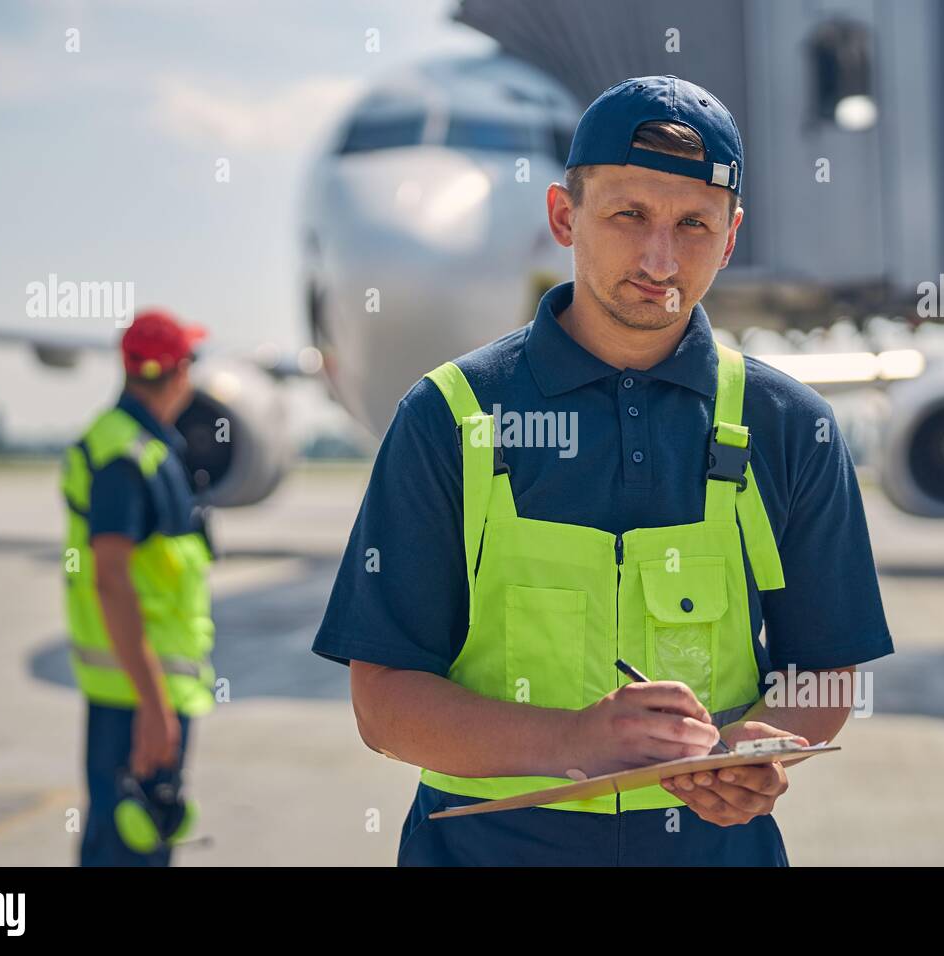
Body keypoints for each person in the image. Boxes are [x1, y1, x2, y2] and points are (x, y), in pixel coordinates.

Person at [312, 75, 894, 865]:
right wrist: (571, 739)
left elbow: (828, 668)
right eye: (629, 215)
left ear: (730, 239)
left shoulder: (791, 428)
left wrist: (765, 746)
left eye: (694, 224)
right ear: (565, 217)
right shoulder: (449, 416)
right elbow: (383, 704)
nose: (661, 258)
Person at [61, 308, 215, 866]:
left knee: (141, 842)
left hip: (144, 692)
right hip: (134, 700)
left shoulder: (146, 446)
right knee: (127, 850)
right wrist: (153, 706)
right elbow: (111, 581)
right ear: (176, 372)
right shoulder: (125, 457)